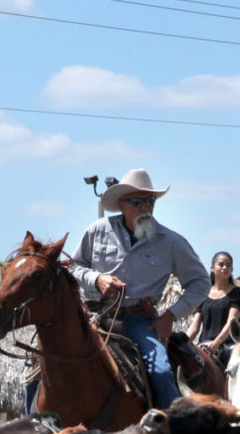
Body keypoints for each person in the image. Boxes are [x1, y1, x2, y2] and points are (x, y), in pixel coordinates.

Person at [67, 168, 209, 410]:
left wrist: (169, 316)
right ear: (121, 205)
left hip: (137, 321)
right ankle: (38, 428)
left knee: (161, 370)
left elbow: (201, 282)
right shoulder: (97, 230)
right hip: (92, 316)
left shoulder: (171, 242)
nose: (145, 207)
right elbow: (73, 267)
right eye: (137, 202)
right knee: (40, 364)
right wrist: (97, 279)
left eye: (150, 201)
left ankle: (169, 430)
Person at [185, 250, 240, 359]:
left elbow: (232, 321)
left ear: (231, 270)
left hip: (228, 346)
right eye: (221, 264)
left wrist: (216, 343)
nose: (224, 268)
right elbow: (195, 327)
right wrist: (183, 343)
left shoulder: (237, 293)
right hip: (205, 346)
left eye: (228, 265)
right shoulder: (203, 293)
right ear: (212, 268)